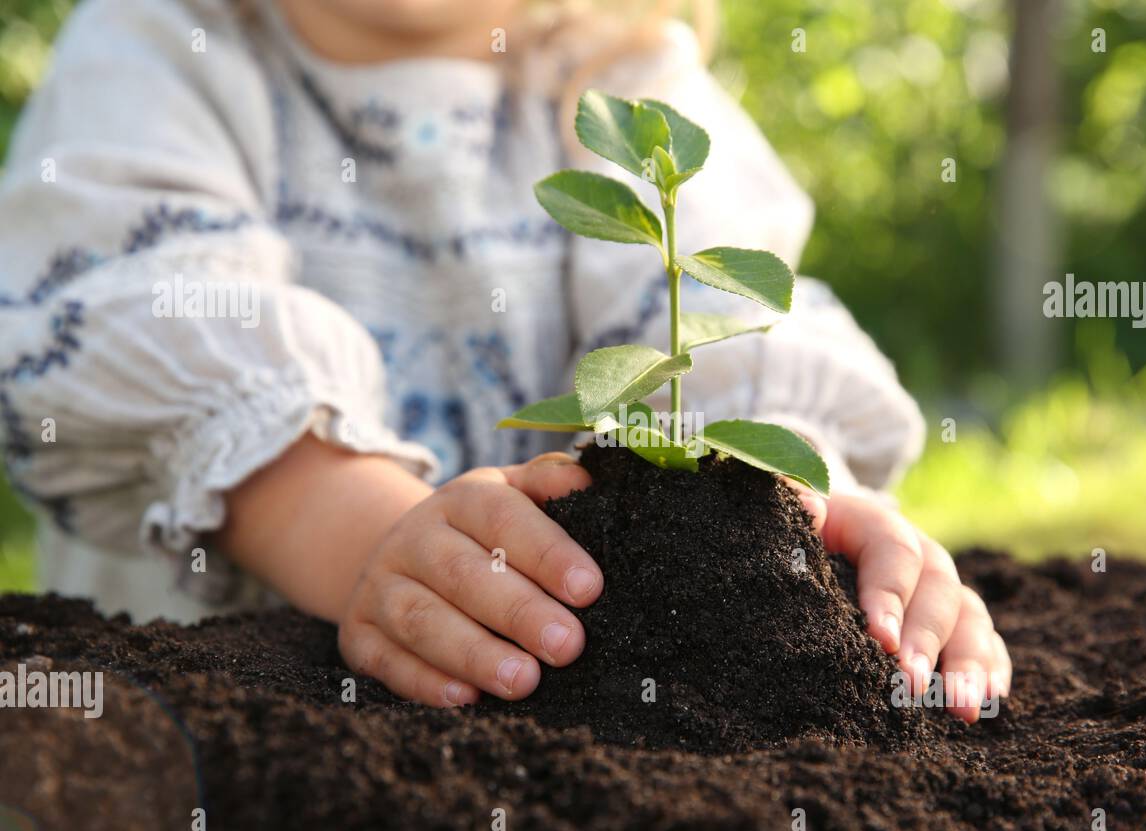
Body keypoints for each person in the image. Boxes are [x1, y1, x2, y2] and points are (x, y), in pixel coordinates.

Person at [0, 0, 1011, 721]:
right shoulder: (154, 44)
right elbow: (148, 311)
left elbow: (721, 322)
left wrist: (788, 523)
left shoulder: (619, 70)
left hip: (550, 714)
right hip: (209, 732)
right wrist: (380, 548)